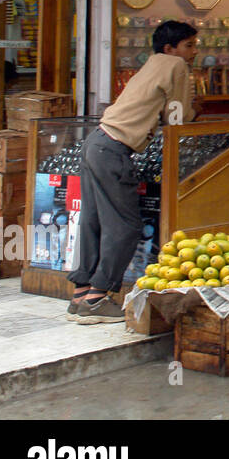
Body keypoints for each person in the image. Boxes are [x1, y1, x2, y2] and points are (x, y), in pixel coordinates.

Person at [70, 20, 197, 323]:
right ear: (171, 48)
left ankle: (81, 294)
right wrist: (195, 113)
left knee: (93, 220)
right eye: (189, 45)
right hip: (114, 150)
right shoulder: (175, 65)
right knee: (125, 226)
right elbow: (176, 116)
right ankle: (98, 298)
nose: (194, 52)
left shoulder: (153, 62)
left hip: (95, 142)